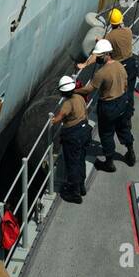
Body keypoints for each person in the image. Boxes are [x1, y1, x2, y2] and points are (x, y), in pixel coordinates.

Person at [76, 38, 135, 172]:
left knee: (107, 134)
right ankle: (130, 153)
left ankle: (109, 163)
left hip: (108, 107)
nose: (97, 58)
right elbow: (126, 83)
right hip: (123, 101)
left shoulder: (101, 73)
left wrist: (75, 90)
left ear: (107, 54)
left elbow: (89, 89)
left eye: (99, 56)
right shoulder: (120, 66)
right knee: (123, 128)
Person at [50, 74, 91, 203]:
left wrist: (51, 119)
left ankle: (75, 194)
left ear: (63, 91)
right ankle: (81, 186)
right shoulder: (80, 97)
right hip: (85, 131)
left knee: (72, 163)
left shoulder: (67, 103)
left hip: (73, 135)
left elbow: (58, 118)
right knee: (80, 160)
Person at [105, 8, 138, 100]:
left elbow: (105, 47)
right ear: (121, 20)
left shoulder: (108, 37)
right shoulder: (128, 31)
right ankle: (129, 108)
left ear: (110, 23)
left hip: (119, 67)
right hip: (131, 64)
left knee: (119, 92)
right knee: (130, 90)